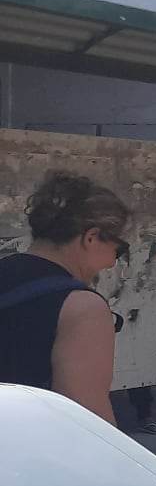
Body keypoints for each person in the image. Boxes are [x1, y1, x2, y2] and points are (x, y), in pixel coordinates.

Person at [0, 172, 130, 423]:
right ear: (91, 237)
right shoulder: (81, 308)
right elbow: (87, 418)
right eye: (119, 249)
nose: (113, 262)